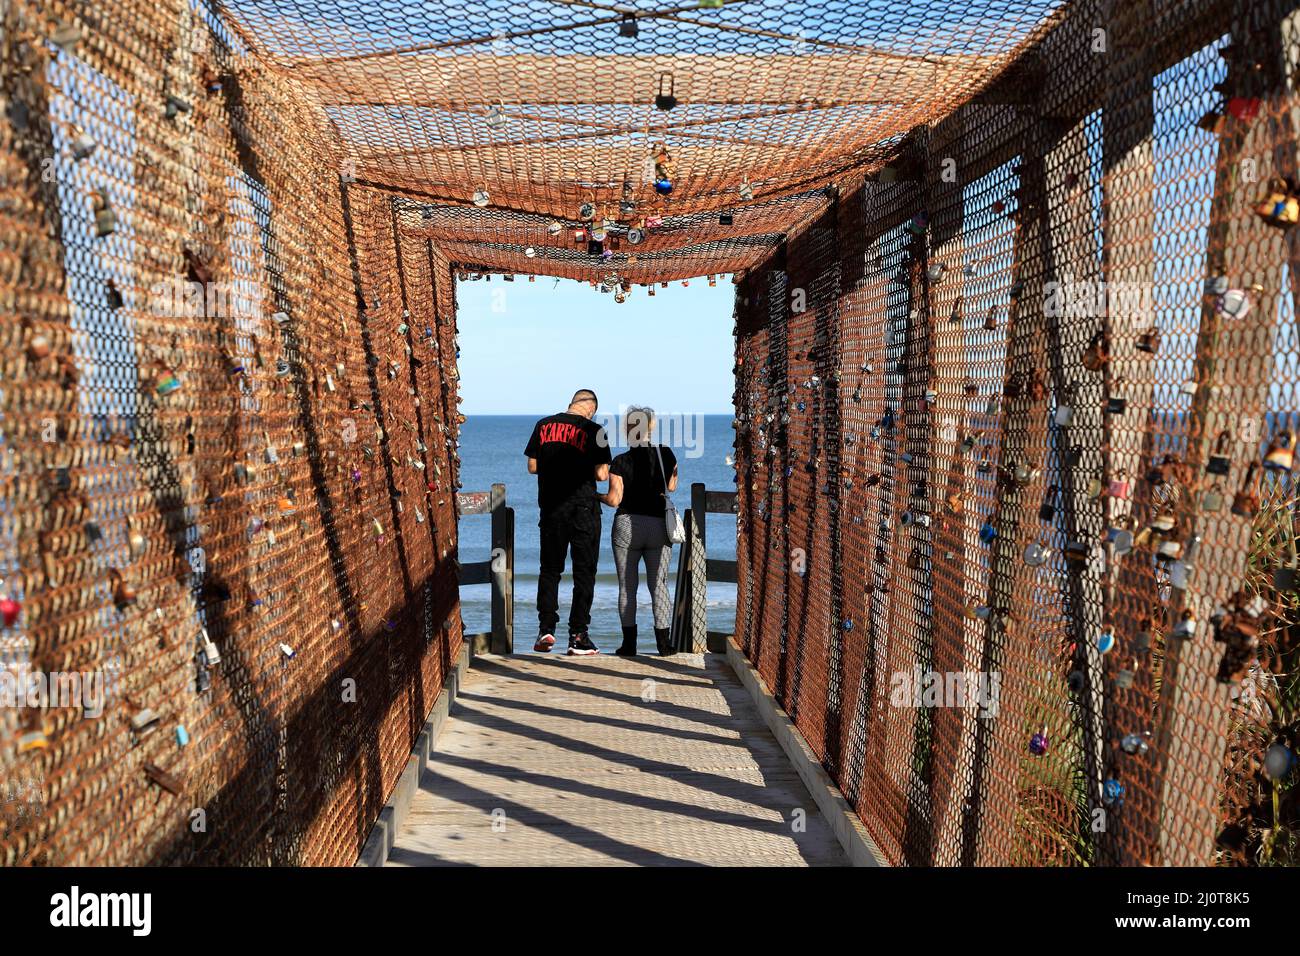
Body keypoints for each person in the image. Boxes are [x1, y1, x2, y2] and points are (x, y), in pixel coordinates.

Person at [525, 389, 611, 656]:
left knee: (550, 570)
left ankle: (546, 629)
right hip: (584, 508)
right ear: (591, 409)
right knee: (584, 573)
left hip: (551, 508)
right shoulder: (595, 430)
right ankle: (578, 636)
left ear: (572, 403)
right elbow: (601, 474)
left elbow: (532, 466)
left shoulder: (543, 425)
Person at [599, 406, 678, 656]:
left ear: (627, 430)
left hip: (627, 525)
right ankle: (664, 645)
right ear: (651, 427)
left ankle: (629, 644)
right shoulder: (666, 454)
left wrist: (593, 495)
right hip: (658, 525)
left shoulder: (620, 461)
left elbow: (613, 500)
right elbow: (672, 487)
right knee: (659, 585)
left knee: (627, 587)